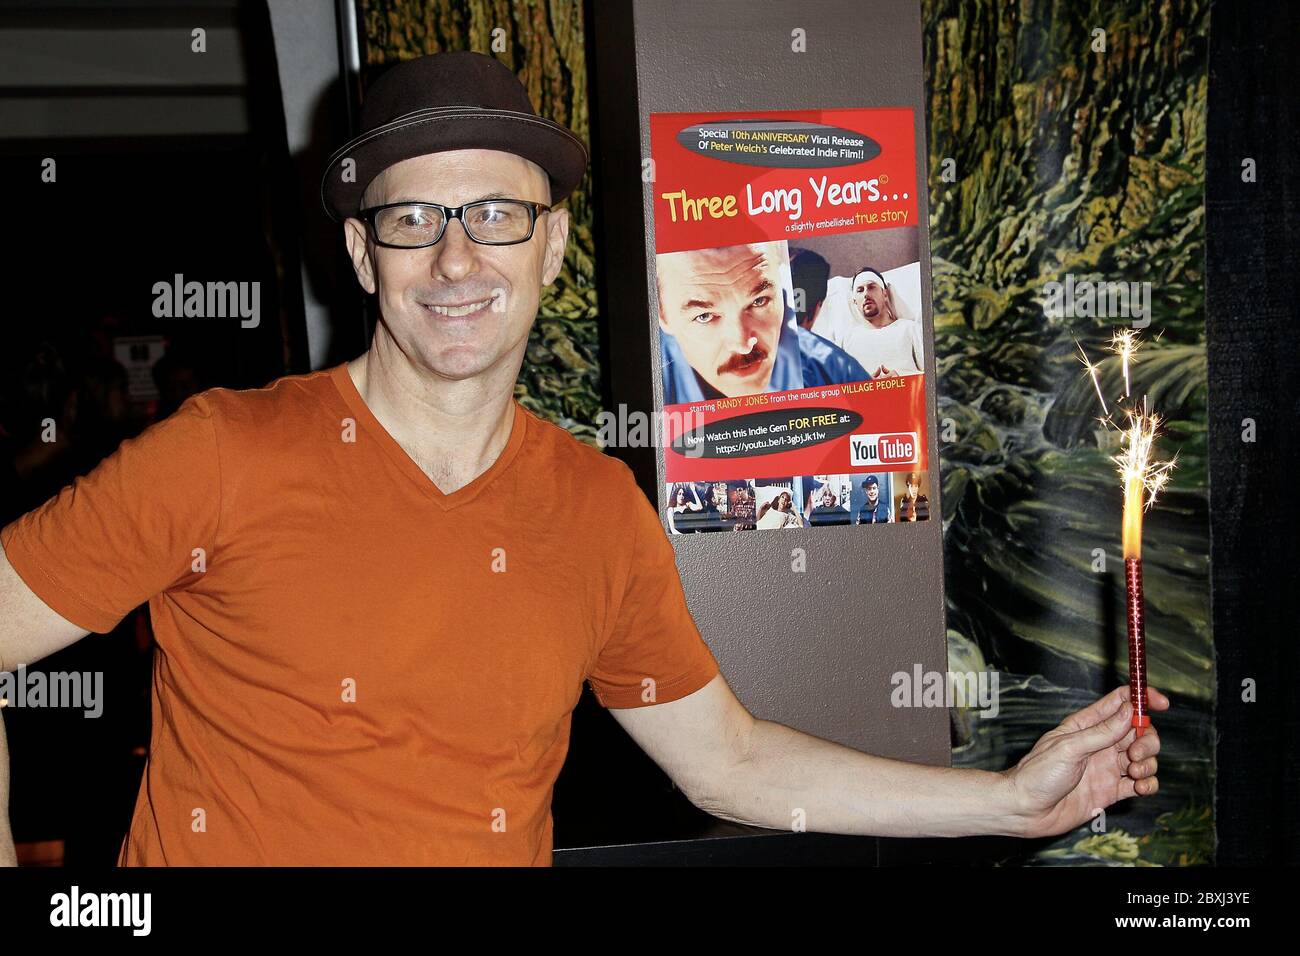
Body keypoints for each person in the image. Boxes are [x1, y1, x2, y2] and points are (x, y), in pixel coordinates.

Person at [1, 51, 1164, 867]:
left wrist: (1007, 801)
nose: (457, 260)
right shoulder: (220, 451)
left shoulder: (595, 507)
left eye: (496, 216)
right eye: (414, 220)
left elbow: (731, 761)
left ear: (550, 243)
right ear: (362, 254)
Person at [657, 241, 869, 405]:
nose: (742, 343)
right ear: (663, 316)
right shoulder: (653, 394)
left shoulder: (838, 373)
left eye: (759, 301)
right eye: (704, 316)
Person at [814, 266, 924, 378]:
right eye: (860, 290)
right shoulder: (846, 340)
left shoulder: (909, 328)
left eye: (871, 287)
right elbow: (836, 385)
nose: (866, 294)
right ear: (855, 301)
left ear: (885, 294)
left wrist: (903, 378)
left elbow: (934, 374)